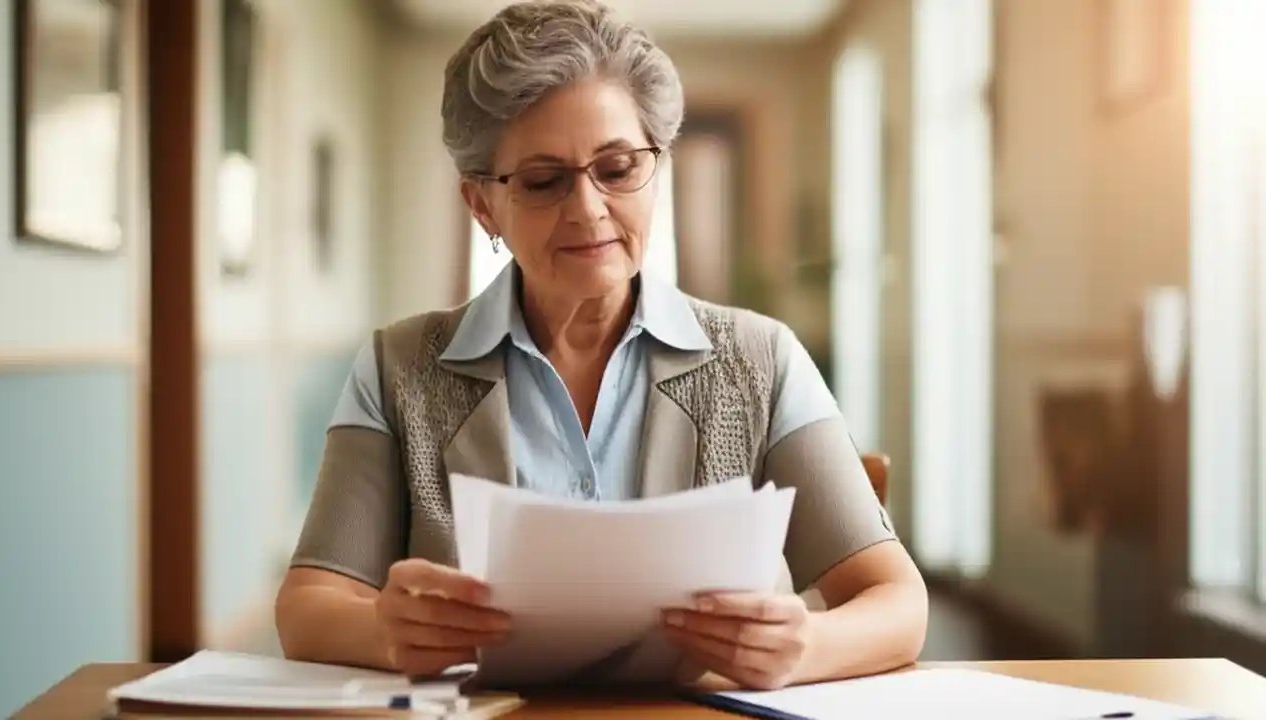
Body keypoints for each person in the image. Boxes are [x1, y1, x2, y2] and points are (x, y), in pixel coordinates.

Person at [276, 0, 926, 691]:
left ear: (656, 171)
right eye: (543, 180)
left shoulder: (765, 360)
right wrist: (384, 628)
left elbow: (898, 602)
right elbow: (307, 609)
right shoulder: (397, 367)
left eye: (616, 170)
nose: (587, 208)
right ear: (482, 205)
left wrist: (810, 644)